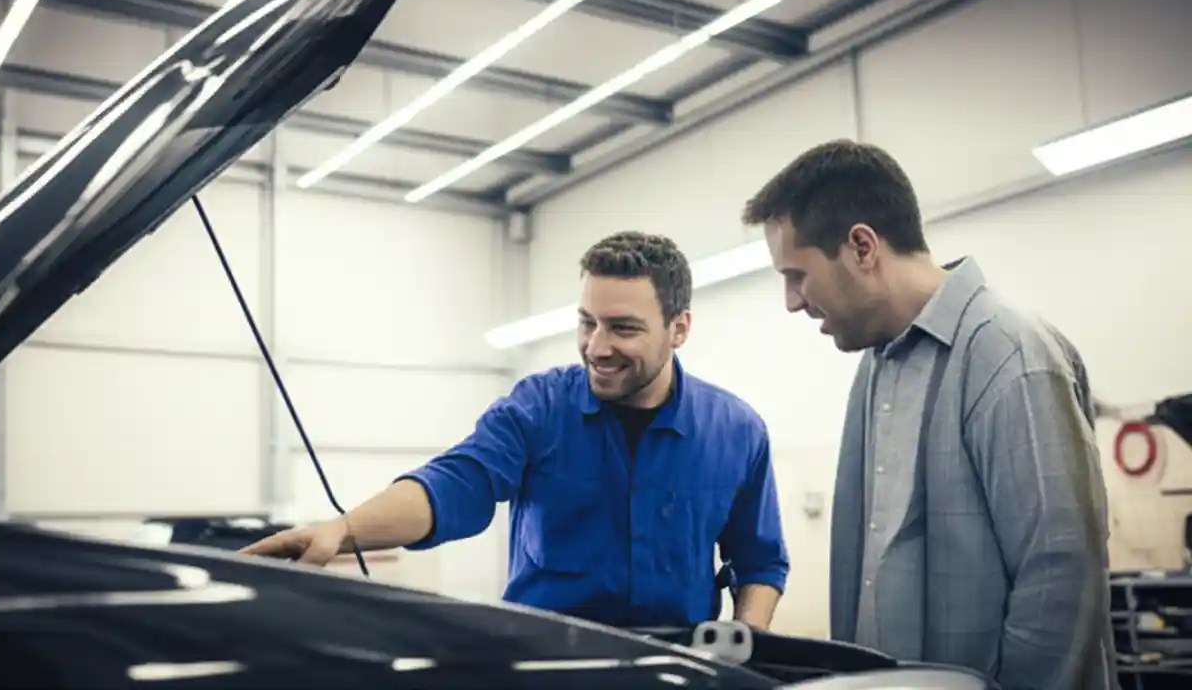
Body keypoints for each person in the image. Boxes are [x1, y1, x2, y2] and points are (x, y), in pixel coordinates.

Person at [242, 231, 790, 629]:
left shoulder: (737, 431)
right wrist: (345, 529)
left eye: (623, 328)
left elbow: (759, 559)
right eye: (587, 322)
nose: (597, 347)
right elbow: (458, 482)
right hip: (548, 663)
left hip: (674, 667)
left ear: (679, 329)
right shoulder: (540, 407)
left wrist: (746, 635)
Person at [740, 138, 1117, 689]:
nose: (793, 301)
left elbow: (1060, 580)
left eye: (797, 274)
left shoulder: (1008, 352)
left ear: (862, 247)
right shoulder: (878, 364)